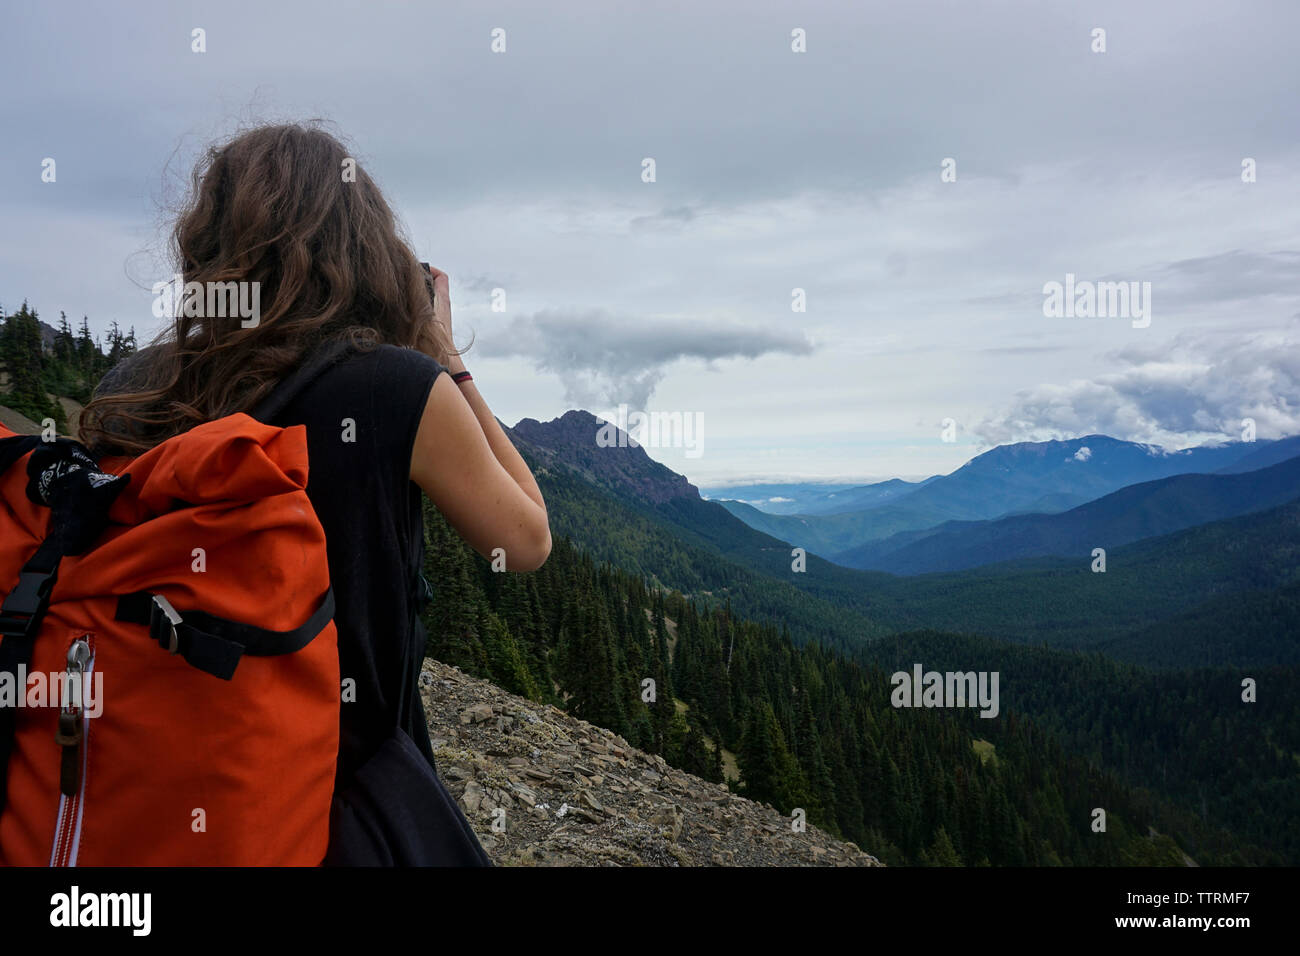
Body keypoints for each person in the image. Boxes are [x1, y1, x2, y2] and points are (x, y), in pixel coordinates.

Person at [80, 122, 551, 864]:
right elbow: (525, 541)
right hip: (342, 796)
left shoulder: (134, 388)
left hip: (158, 765)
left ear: (208, 245)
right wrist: (446, 354)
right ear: (365, 248)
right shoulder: (394, 386)